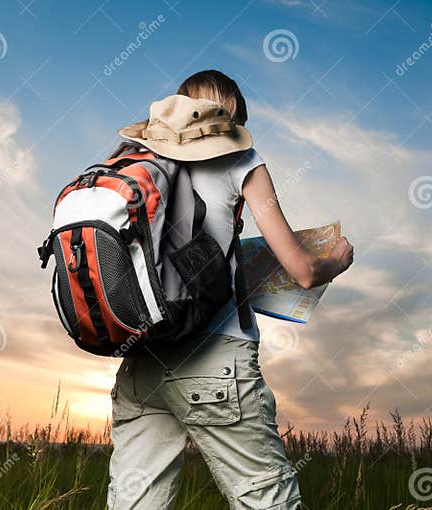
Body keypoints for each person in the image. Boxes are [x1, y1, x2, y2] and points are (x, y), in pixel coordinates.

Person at [106, 70, 354, 509]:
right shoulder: (242, 160)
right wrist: (336, 259)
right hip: (215, 363)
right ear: (232, 117)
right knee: (269, 501)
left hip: (142, 361)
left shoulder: (134, 158)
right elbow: (302, 271)